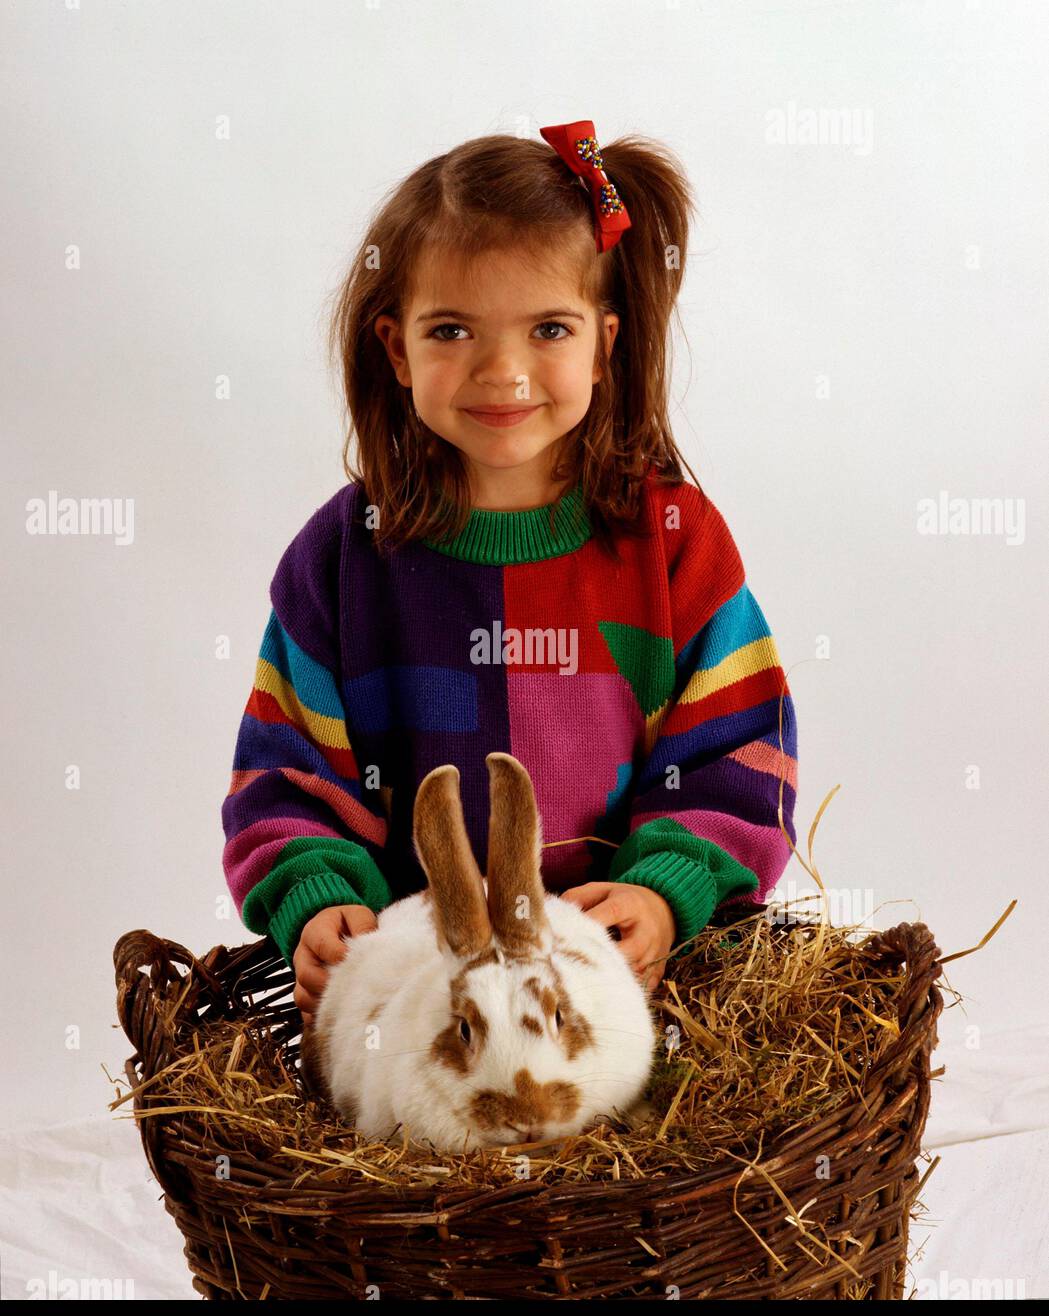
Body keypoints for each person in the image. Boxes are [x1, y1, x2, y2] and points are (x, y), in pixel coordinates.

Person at [220, 119, 799, 1027]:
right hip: (423, 1008)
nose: (502, 371)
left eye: (548, 328)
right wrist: (319, 898)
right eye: (451, 329)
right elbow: (286, 770)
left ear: (604, 346)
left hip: (634, 998)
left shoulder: (670, 538)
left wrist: (661, 893)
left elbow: (736, 750)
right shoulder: (345, 557)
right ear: (395, 347)